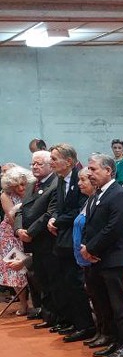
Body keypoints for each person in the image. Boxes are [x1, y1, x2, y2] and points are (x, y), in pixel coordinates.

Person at [79, 154, 123, 357]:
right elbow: (90, 224)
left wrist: (91, 248)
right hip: (99, 257)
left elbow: (114, 227)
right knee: (103, 303)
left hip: (115, 258)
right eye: (89, 169)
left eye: (94, 170)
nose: (89, 173)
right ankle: (113, 339)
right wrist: (87, 248)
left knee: (119, 305)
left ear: (108, 171)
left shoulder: (118, 194)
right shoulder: (97, 194)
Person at [46, 143, 95, 339]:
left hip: (75, 238)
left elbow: (80, 209)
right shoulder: (60, 179)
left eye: (54, 159)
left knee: (76, 284)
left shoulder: (80, 178)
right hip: (62, 239)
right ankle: (75, 322)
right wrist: (52, 217)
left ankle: (86, 325)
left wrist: (57, 220)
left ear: (68, 161)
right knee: (65, 283)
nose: (51, 162)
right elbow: (60, 206)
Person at [14, 151, 58, 327]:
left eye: (39, 164)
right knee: (41, 280)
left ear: (50, 165)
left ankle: (56, 317)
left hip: (48, 240)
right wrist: (18, 229)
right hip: (33, 242)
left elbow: (49, 214)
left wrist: (30, 232)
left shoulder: (55, 184)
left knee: (52, 281)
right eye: (33, 164)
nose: (35, 167)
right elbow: (19, 210)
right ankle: (47, 315)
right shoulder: (31, 184)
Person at [1, 166, 32, 315]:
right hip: (11, 236)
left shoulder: (32, 190)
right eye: (16, 185)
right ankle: (23, 304)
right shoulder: (5, 195)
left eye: (23, 184)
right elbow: (13, 218)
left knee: (31, 268)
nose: (21, 188)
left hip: (29, 232)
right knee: (16, 270)